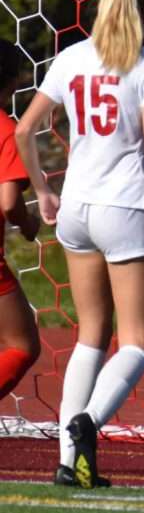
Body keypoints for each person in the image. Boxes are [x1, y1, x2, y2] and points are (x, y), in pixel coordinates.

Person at [15, 0, 144, 488]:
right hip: (125, 209)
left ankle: (69, 461)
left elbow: (25, 129)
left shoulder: (71, 57)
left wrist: (44, 191)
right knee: (135, 343)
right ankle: (88, 423)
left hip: (76, 207)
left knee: (90, 335)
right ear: (143, 13)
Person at [0, 39, 41, 402]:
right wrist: (29, 226)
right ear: (13, 82)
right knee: (22, 346)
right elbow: (10, 203)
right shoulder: (7, 131)